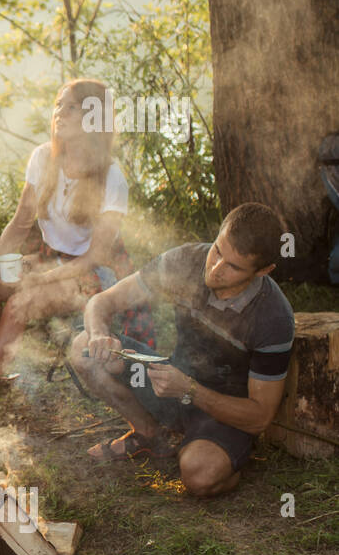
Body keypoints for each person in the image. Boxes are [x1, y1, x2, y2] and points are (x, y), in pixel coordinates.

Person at [0, 78, 146, 442]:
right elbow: (22, 222)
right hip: (49, 259)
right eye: (59, 105)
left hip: (93, 273)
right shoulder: (44, 157)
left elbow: (96, 256)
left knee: (21, 304)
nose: (60, 113)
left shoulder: (111, 176)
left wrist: (42, 279)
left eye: (72, 107)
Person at [71, 203, 294, 498]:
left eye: (233, 266)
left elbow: (260, 417)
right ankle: (149, 432)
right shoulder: (186, 260)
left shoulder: (273, 317)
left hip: (221, 413)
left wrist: (190, 389)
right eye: (217, 250)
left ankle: (221, 454)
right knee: (82, 347)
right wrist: (100, 336)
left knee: (199, 475)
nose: (215, 269)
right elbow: (102, 302)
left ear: (263, 270)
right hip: (170, 379)